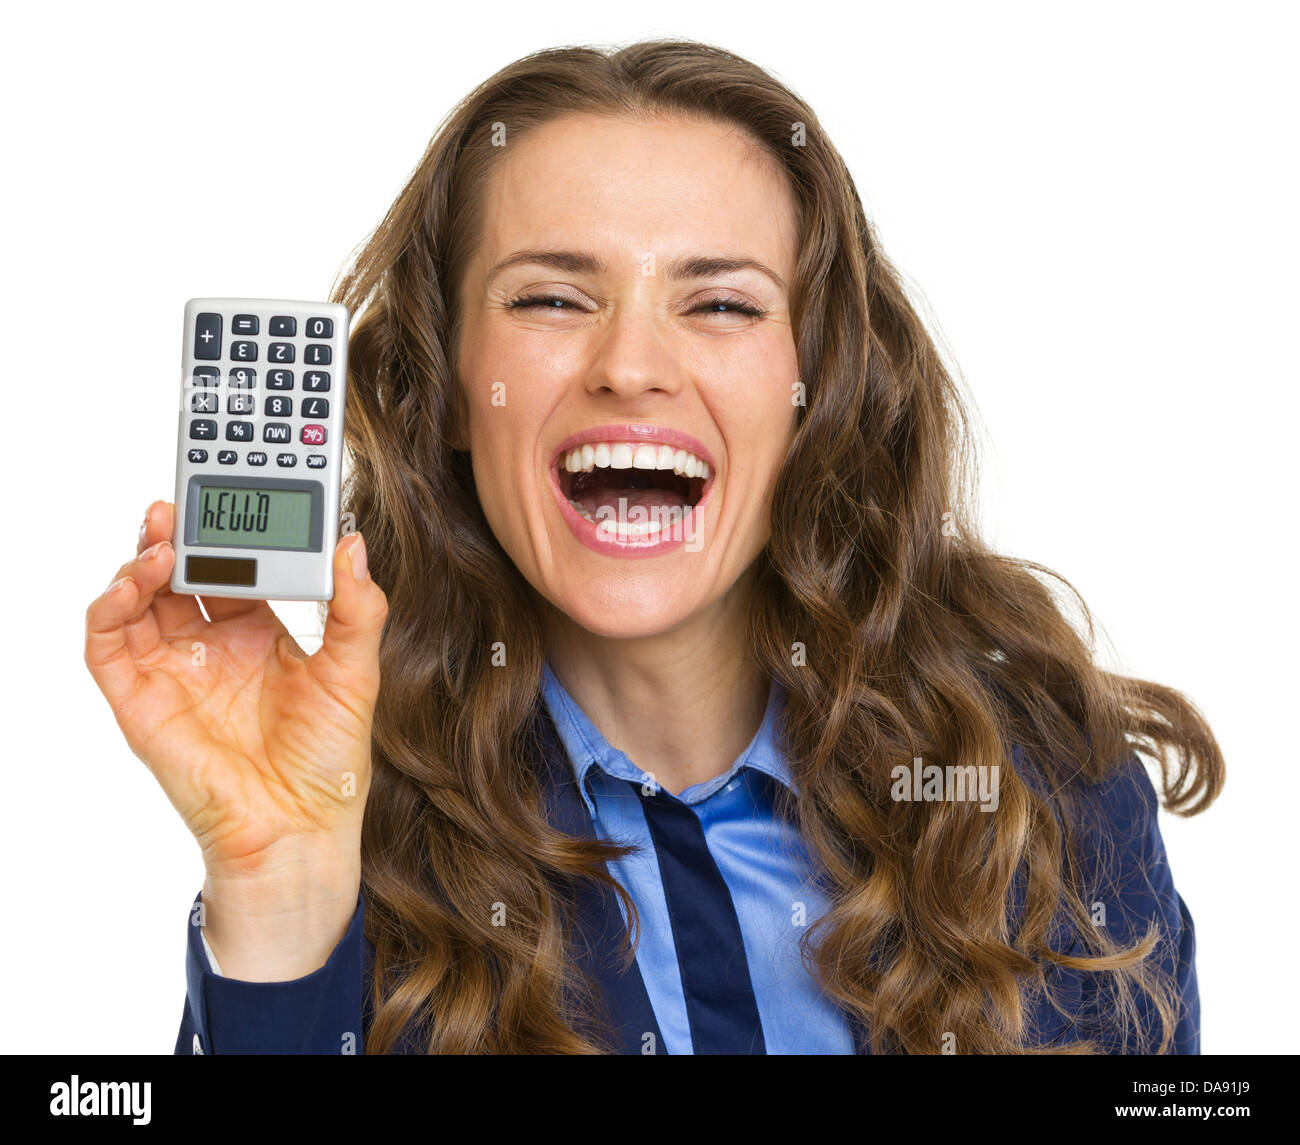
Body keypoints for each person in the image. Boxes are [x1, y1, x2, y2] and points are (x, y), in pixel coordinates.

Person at [84, 38, 1224, 1054]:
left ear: (810, 388)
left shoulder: (1044, 793)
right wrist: (280, 892)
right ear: (446, 395)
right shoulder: (343, 835)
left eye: (721, 304)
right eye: (549, 300)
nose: (629, 364)